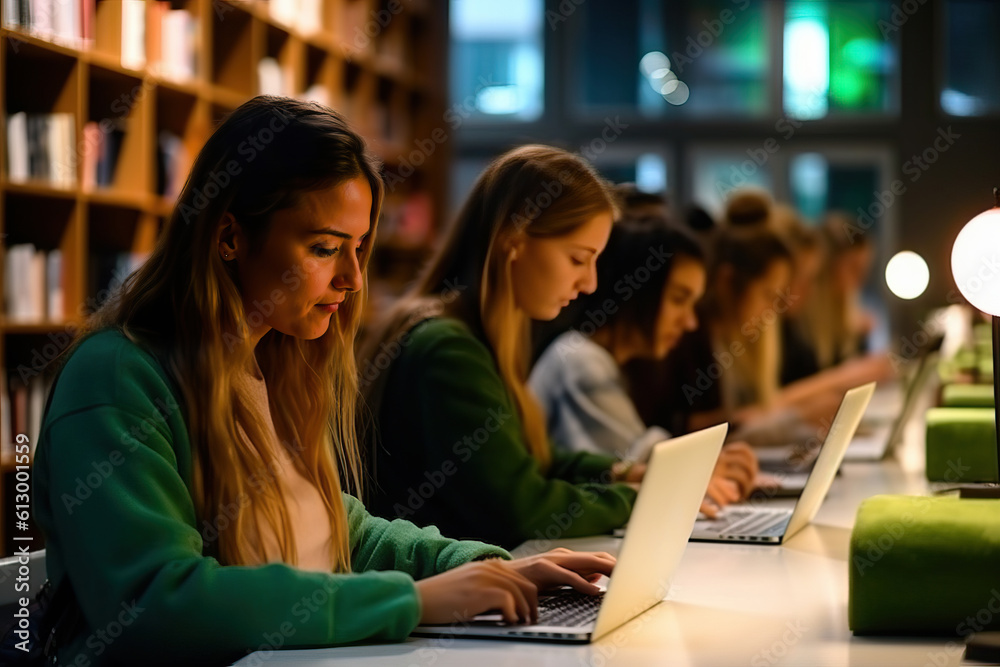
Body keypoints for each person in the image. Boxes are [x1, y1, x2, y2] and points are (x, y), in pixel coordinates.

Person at [31, 97, 612, 666]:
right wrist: (410, 601)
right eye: (325, 248)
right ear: (229, 237)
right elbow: (159, 603)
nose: (353, 279)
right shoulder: (116, 377)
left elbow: (337, 531)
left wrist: (487, 568)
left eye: (359, 249)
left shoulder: (274, 361)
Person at [361, 145, 689, 550]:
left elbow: (536, 461)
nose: (589, 284)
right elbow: (520, 508)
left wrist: (624, 474)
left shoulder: (479, 335)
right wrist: (643, 499)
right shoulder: (448, 350)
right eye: (577, 259)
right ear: (514, 240)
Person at [529, 218, 759, 506]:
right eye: (678, 299)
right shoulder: (581, 362)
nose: (690, 323)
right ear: (638, 289)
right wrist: (703, 467)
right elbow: (637, 466)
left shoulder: (600, 359)